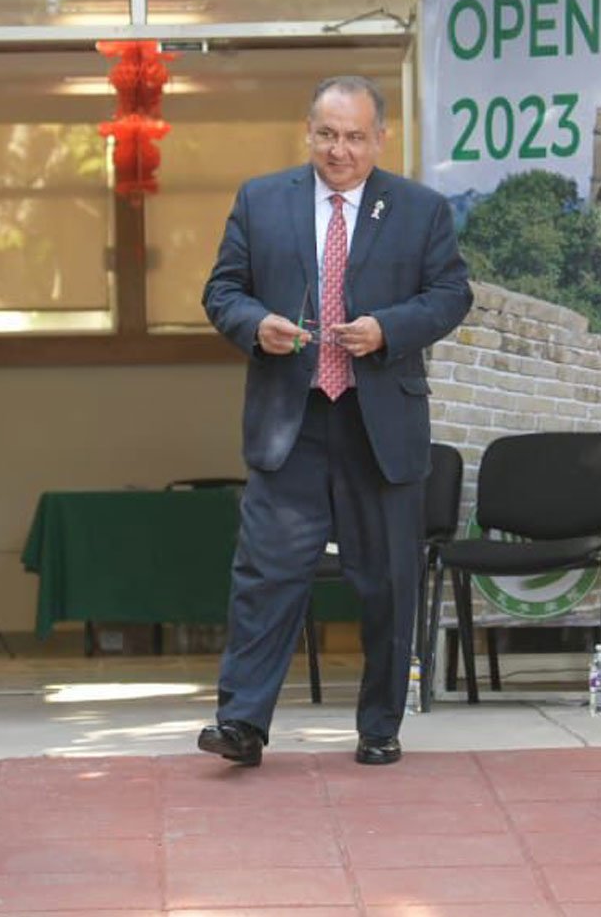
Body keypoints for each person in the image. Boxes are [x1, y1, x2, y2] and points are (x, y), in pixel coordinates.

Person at [199, 76, 472, 767]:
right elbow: (222, 290)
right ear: (308, 132)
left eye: (354, 137)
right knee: (265, 576)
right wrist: (255, 324)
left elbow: (450, 294)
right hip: (289, 422)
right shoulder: (263, 200)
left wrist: (389, 329)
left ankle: (380, 725)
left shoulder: (420, 209)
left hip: (377, 422)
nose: (339, 150)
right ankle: (242, 725)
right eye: (327, 135)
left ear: (380, 137)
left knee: (386, 581)